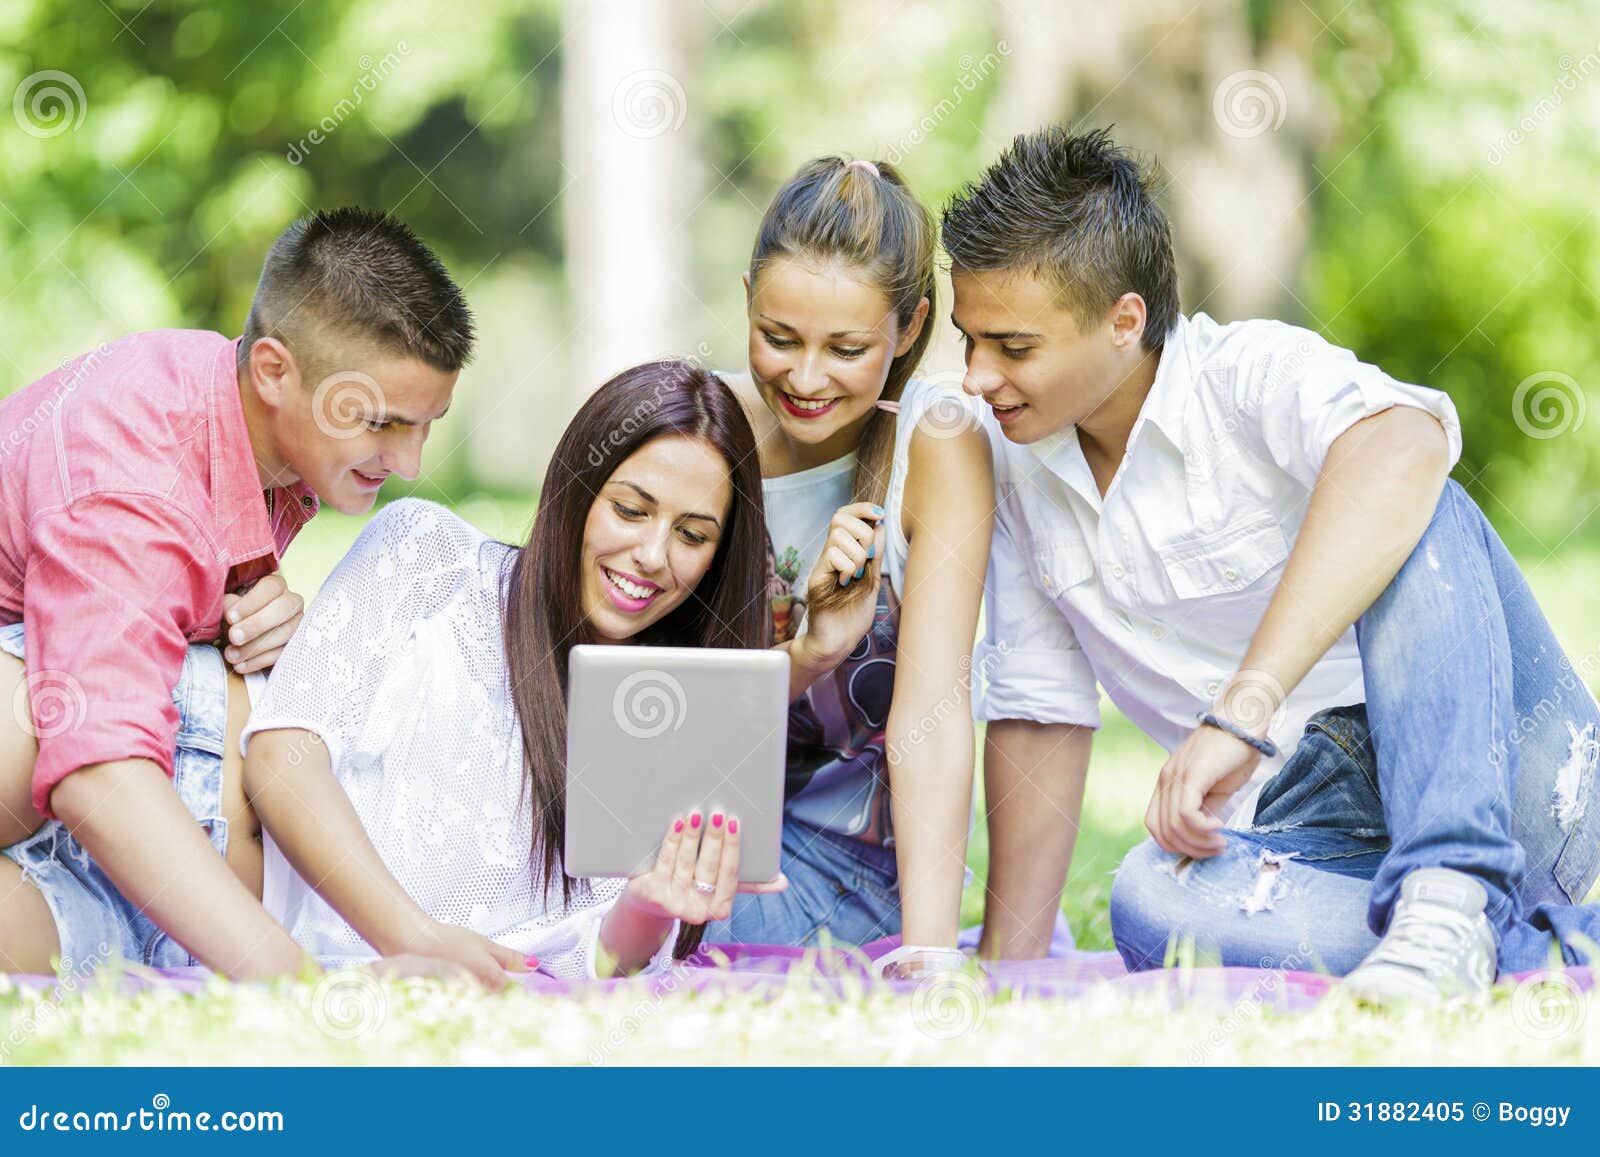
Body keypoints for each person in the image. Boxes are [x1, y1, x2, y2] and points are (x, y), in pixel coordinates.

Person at [944, 125, 1600, 1003]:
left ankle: (1451, 886)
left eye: (1012, 347)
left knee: (1409, 474)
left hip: (1502, 773)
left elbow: (1406, 448)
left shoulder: (1249, 374)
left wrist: (1243, 707)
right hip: (1307, 838)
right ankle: (1501, 942)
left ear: (1124, 321)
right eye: (968, 340)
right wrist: (1010, 971)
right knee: (1148, 896)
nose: (976, 376)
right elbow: (1041, 710)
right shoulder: (1014, 464)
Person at [1, 361, 873, 982]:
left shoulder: (665, 725)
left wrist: (655, 901)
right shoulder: (432, 553)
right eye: (631, 508)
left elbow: (597, 957)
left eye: (691, 533)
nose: (651, 554)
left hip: (187, 931)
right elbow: (282, 755)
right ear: (578, 488)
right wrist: (408, 936)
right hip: (175, 741)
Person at [0, 206, 474, 978]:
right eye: (382, 424)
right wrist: (297, 990)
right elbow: (98, 766)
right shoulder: (132, 467)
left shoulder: (264, 435)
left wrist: (250, 604)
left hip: (126, 856)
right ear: (276, 371)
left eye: (426, 424)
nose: (411, 462)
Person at [711, 156, 995, 975]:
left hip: (846, 865)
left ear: (910, 327)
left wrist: (928, 954)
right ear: (747, 299)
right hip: (700, 821)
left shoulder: (935, 447)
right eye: (778, 338)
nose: (805, 377)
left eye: (846, 348)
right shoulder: (707, 424)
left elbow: (932, 715)